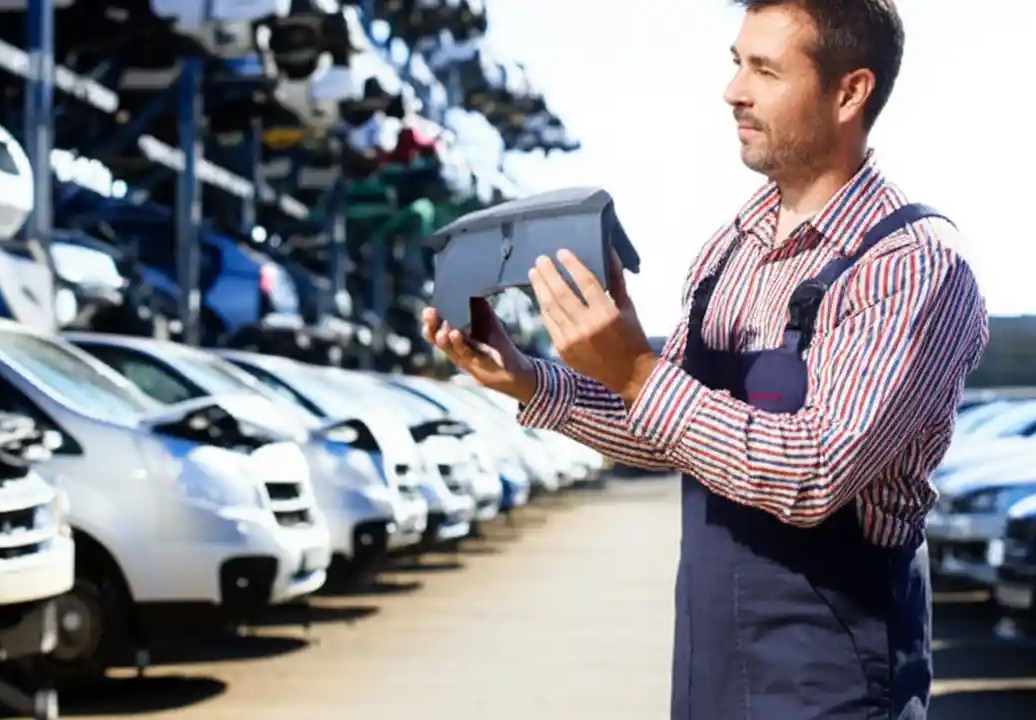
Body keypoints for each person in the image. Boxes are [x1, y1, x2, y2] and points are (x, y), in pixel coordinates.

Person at [421, 0, 989, 717]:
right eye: (735, 63)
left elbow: (812, 474)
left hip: (839, 684)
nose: (734, 91)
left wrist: (633, 369)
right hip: (711, 673)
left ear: (850, 91)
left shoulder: (912, 267)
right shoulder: (729, 250)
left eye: (765, 70)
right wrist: (532, 379)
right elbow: (672, 432)